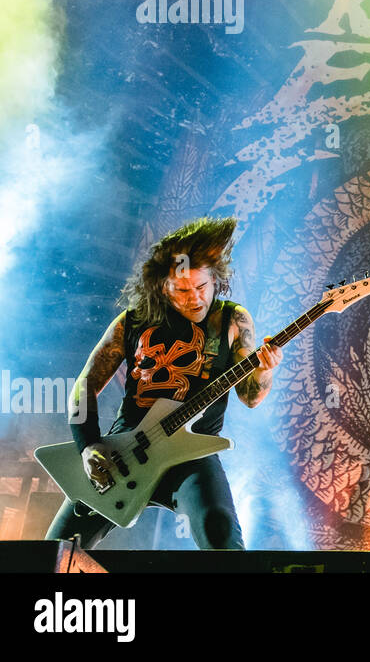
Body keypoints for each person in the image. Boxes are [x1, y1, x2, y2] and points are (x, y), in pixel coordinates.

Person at [45, 217, 280, 549]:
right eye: (182, 290)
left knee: (221, 535)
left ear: (216, 280)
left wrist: (264, 370)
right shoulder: (133, 321)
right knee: (54, 549)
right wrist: (88, 446)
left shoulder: (232, 320)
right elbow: (85, 385)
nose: (195, 299)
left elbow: (251, 397)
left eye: (202, 287)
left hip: (192, 456)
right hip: (122, 454)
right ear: (163, 286)